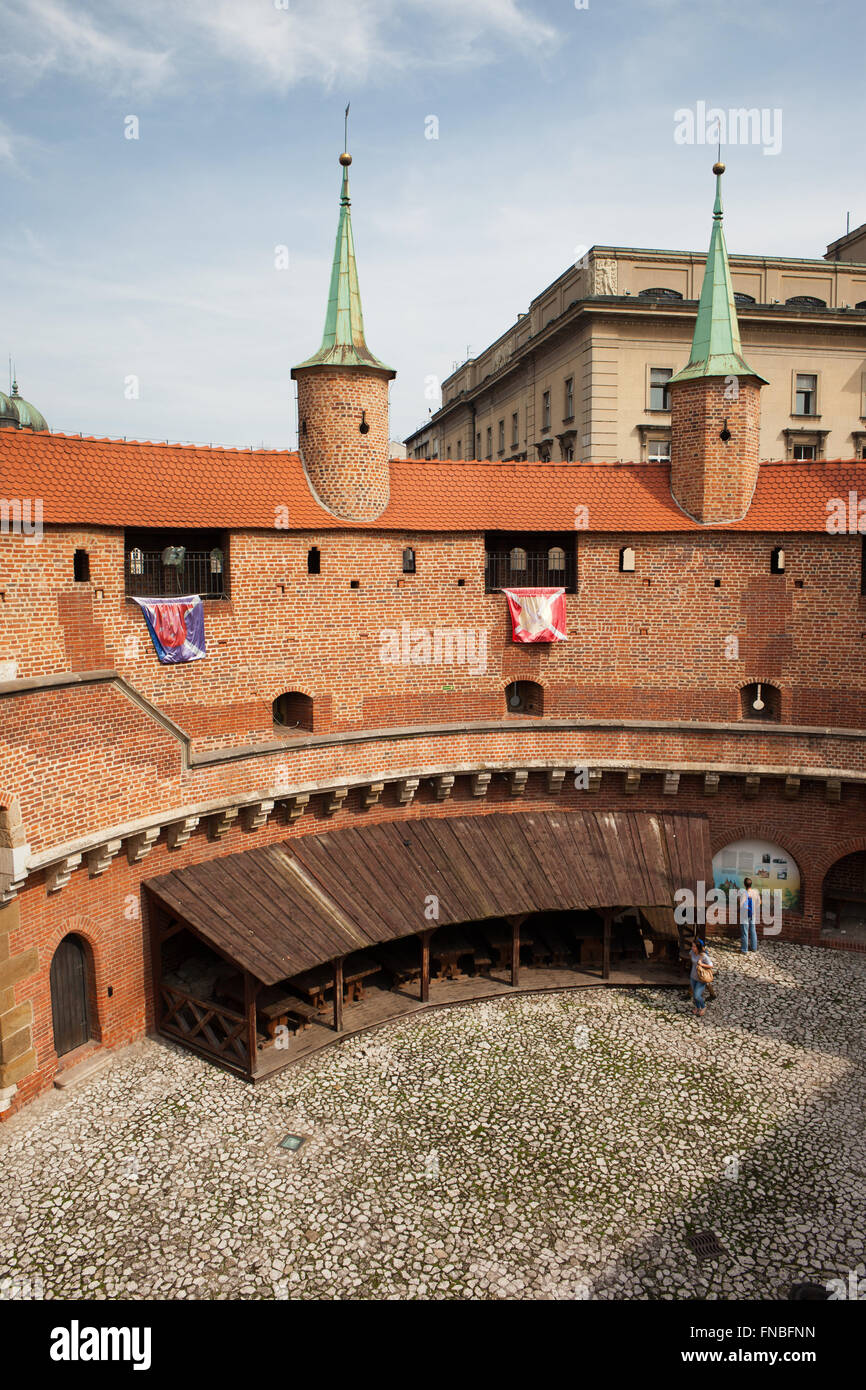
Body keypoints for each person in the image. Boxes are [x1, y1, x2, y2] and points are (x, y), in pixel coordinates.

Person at [689, 937, 714, 1018]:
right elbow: (691, 958)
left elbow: (711, 965)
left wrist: (701, 964)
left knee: (697, 995)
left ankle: (703, 1007)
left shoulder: (703, 956)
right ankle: (697, 1007)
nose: (692, 948)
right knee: (694, 994)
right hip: (693, 976)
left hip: (701, 978)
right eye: (692, 946)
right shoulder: (692, 952)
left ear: (698, 948)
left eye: (694, 947)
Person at [739, 877, 760, 954]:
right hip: (753, 914)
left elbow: (741, 905)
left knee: (745, 932)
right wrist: (753, 909)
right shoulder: (755, 892)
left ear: (744, 885)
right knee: (753, 930)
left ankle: (744, 950)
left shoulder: (744, 894)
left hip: (745, 915)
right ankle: (754, 948)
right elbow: (759, 903)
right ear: (751, 884)